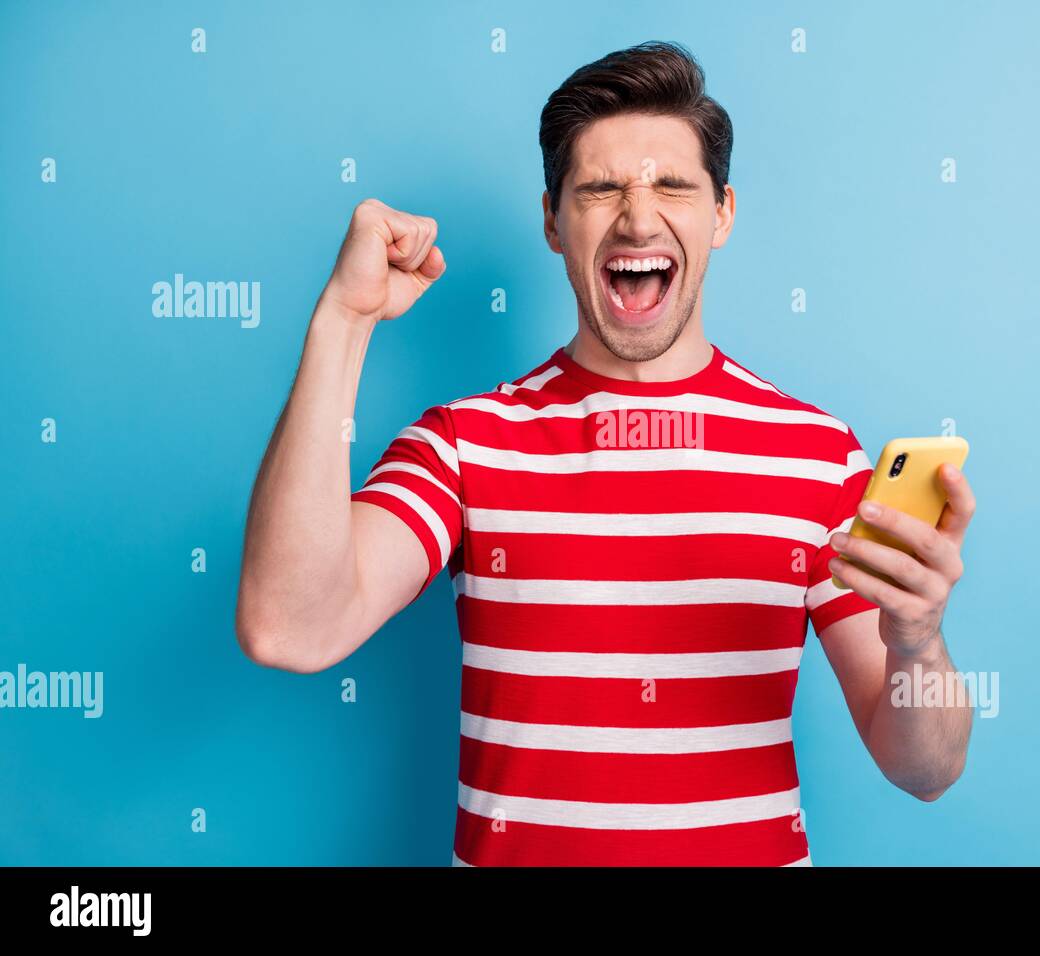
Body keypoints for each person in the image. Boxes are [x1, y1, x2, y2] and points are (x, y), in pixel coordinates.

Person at [235, 41, 977, 866]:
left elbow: (928, 769)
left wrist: (919, 642)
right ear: (553, 220)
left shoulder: (818, 458)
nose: (636, 215)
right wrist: (344, 320)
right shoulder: (464, 445)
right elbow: (287, 628)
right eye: (600, 188)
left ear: (721, 213)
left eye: (671, 185)